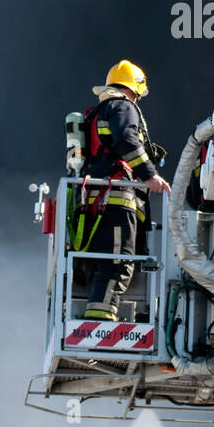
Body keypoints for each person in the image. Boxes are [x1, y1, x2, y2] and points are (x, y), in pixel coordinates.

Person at [75, 60, 170, 322]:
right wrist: (149, 175)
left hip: (96, 200)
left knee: (99, 262)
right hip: (116, 203)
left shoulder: (97, 112)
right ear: (134, 90)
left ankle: (97, 319)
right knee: (117, 262)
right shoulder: (125, 107)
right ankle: (101, 323)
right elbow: (127, 140)